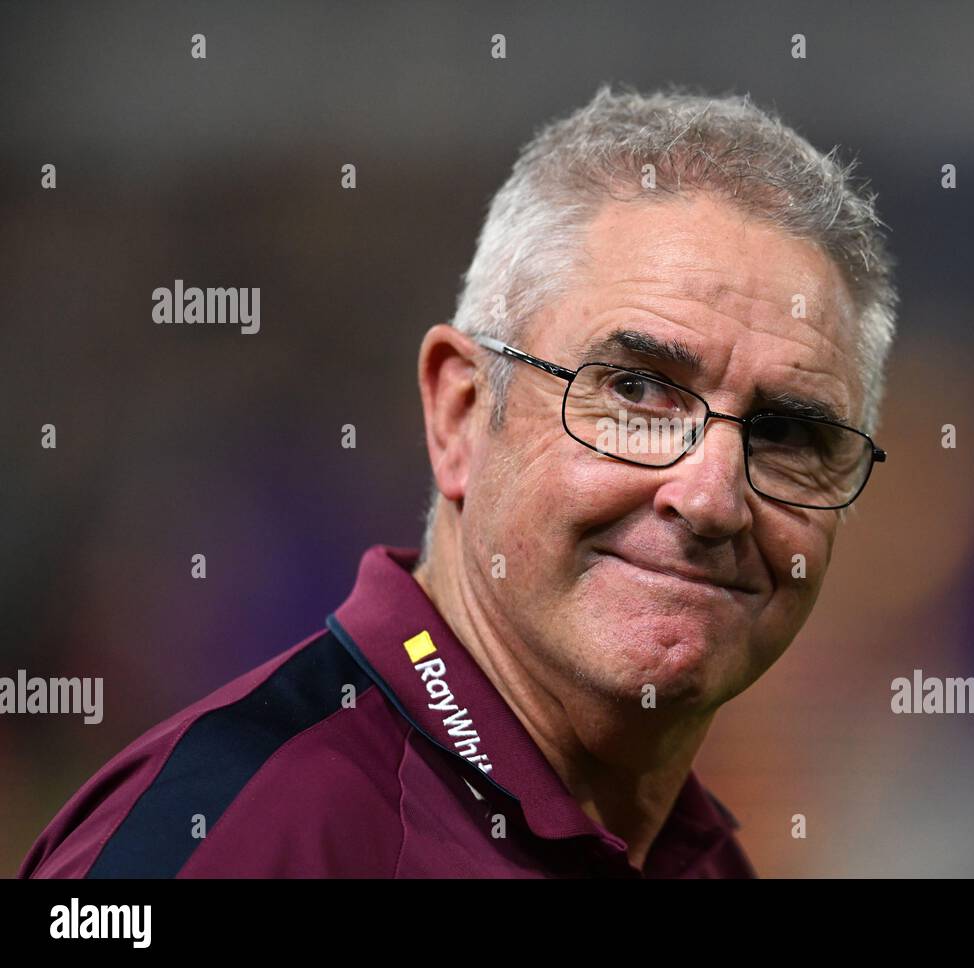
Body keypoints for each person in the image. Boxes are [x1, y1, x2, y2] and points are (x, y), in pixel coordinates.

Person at [20, 84, 898, 878]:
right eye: (635, 390)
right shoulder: (247, 834)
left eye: (788, 433)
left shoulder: (702, 861)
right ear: (459, 412)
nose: (709, 499)